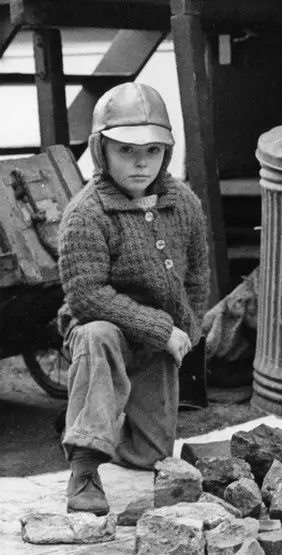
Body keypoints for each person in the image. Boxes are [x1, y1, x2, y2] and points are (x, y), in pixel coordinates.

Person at [57, 82, 210, 515]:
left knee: (152, 456)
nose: (141, 162)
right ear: (100, 150)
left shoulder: (182, 202)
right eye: (125, 150)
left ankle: (103, 420)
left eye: (153, 150)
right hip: (100, 329)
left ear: (167, 151)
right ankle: (85, 466)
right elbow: (87, 296)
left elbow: (197, 276)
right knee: (99, 335)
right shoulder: (86, 214)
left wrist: (188, 329)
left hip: (155, 339)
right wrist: (161, 329)